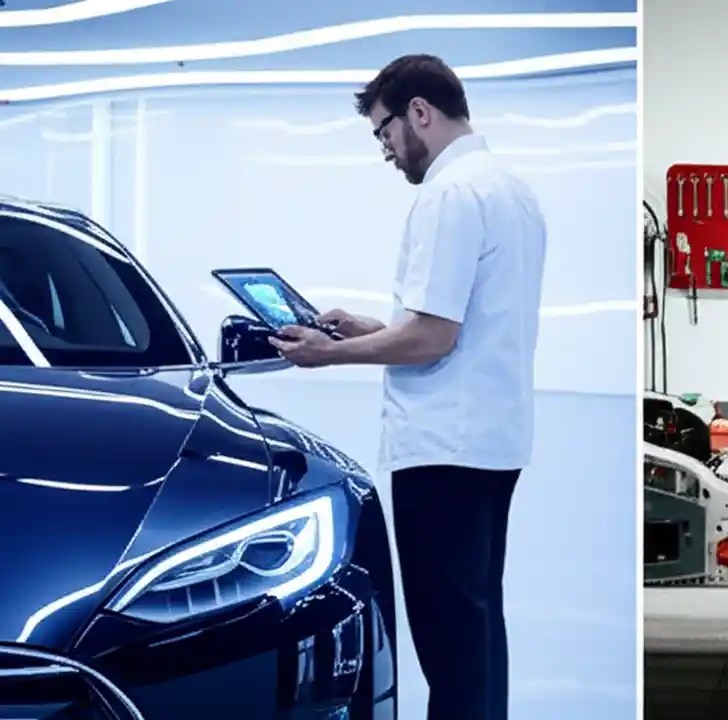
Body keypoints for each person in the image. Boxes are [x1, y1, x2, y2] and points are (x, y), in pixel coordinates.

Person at [269, 54, 547, 720]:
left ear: (419, 111)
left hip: (442, 446)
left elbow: (433, 338)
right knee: (477, 628)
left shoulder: (448, 194)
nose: (387, 151)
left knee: (448, 646)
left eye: (384, 132)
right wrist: (369, 329)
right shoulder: (511, 189)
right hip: (493, 441)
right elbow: (455, 321)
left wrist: (328, 356)